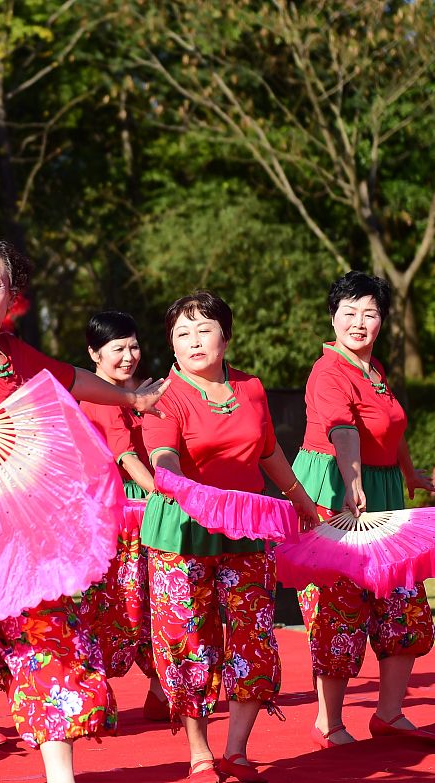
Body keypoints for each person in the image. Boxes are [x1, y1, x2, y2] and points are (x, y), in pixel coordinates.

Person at [0, 233, 169, 783]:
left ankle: (59, 775)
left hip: (20, 516)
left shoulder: (16, 352)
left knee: (48, 632)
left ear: (11, 294)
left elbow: (73, 379)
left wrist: (133, 398)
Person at [141, 291, 316, 783]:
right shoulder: (163, 395)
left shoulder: (252, 389)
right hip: (182, 531)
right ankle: (199, 752)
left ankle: (236, 750)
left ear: (226, 335)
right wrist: (176, 480)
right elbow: (163, 458)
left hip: (246, 529)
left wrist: (302, 500)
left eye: (204, 329)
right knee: (187, 642)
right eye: (182, 333)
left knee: (253, 637)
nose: (194, 341)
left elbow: (268, 451)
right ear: (171, 345)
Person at [293, 271, 435, 749]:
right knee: (339, 609)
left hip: (383, 495)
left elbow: (390, 428)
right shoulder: (329, 372)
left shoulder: (373, 370)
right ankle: (328, 723)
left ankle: (389, 714)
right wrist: (353, 480)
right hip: (335, 492)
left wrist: (409, 474)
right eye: (349, 312)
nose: (358, 322)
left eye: (369, 313)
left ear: (382, 322)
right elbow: (345, 433)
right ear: (332, 317)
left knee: (403, 606)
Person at [76, 311, 166, 715]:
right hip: (116, 509)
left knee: (146, 598)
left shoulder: (130, 393)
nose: (129, 355)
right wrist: (167, 495)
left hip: (133, 504)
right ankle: (95, 694)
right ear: (94, 354)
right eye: (118, 348)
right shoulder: (100, 396)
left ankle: (160, 690)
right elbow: (127, 458)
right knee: (116, 602)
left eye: (133, 346)